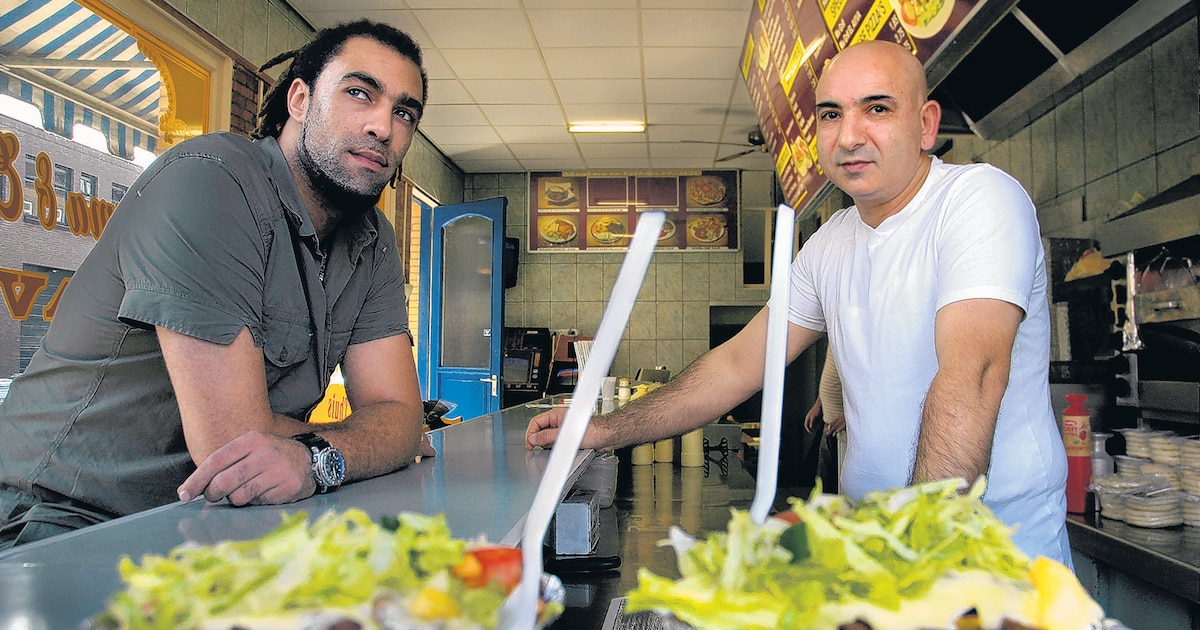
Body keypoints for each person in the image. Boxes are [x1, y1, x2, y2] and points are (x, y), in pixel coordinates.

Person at [526, 39, 1070, 564]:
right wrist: (604, 429)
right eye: (831, 115)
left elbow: (972, 373)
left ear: (926, 124)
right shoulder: (831, 241)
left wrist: (923, 549)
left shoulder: (978, 200)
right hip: (878, 554)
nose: (849, 136)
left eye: (876, 109)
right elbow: (739, 364)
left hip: (987, 553)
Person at [0, 19, 435, 549]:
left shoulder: (373, 239)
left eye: (404, 112)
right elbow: (231, 443)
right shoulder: (211, 179)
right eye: (359, 93)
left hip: (208, 525)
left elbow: (402, 420)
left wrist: (323, 454)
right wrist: (358, 445)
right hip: (57, 521)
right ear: (299, 99)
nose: (382, 127)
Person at [803, 348, 845, 492]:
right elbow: (832, 369)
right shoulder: (837, 330)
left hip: (848, 430)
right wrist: (818, 404)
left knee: (842, 492)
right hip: (829, 423)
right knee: (824, 483)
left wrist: (850, 415)